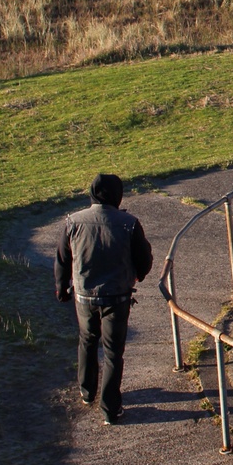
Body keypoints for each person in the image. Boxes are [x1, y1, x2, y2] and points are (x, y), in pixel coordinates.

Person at [55, 173, 152, 425]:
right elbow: (144, 259)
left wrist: (61, 287)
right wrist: (137, 275)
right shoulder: (129, 223)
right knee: (112, 352)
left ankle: (87, 392)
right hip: (117, 297)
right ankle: (110, 409)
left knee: (87, 341)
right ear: (118, 195)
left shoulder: (73, 221)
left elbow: (63, 259)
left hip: (84, 295)